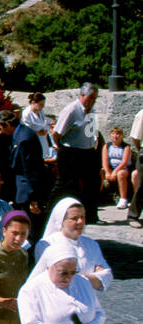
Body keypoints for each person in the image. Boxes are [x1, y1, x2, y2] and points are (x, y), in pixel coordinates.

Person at [52, 82, 100, 224]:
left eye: (94, 98)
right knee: (65, 184)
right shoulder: (72, 110)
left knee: (91, 184)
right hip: (70, 152)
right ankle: (52, 212)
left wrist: (93, 145)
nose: (91, 101)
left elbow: (91, 132)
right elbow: (57, 133)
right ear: (82, 95)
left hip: (87, 151)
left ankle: (90, 215)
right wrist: (58, 146)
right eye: (90, 98)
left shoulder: (91, 111)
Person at [0, 109, 47, 224]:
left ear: (7, 124)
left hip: (27, 194)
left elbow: (30, 170)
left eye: (0, 128)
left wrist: (33, 199)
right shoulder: (21, 134)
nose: (0, 132)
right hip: (23, 192)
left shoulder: (24, 139)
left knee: (30, 227)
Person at [102, 126, 133, 210]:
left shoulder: (126, 147)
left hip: (123, 168)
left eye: (118, 134)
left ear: (122, 136)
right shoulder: (107, 146)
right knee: (100, 172)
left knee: (120, 174)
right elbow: (105, 161)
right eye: (113, 134)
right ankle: (99, 196)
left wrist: (115, 171)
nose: (115, 136)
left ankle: (123, 199)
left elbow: (124, 162)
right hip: (110, 168)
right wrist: (108, 172)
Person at [22, 92, 56, 161]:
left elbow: (43, 121)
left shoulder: (40, 111)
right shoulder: (26, 114)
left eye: (43, 105)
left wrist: (51, 122)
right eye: (40, 104)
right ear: (33, 102)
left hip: (43, 139)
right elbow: (25, 130)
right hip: (33, 142)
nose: (42, 106)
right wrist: (37, 133)